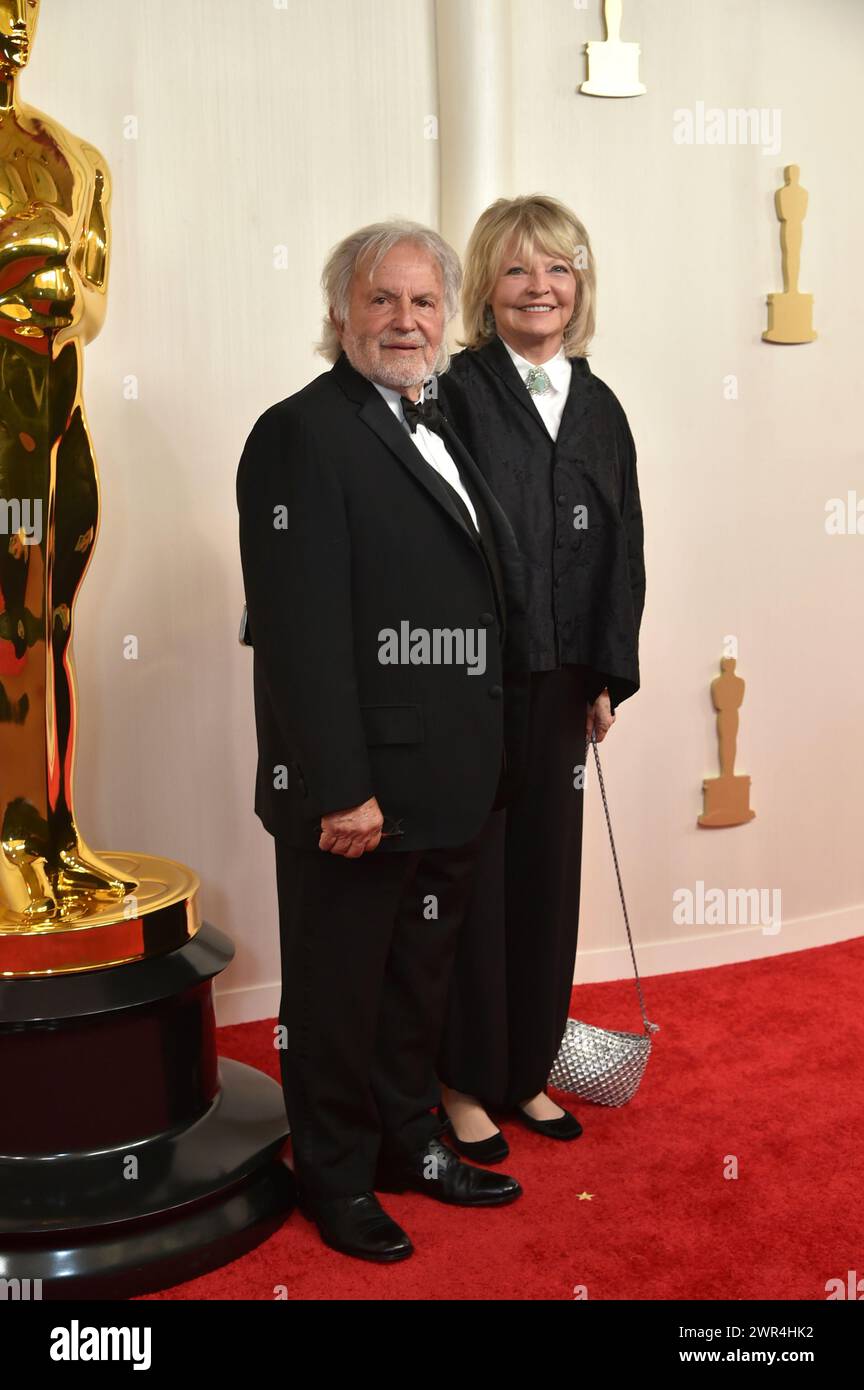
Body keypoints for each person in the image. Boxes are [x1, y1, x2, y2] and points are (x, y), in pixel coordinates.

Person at [236, 220, 531, 1262]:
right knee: (337, 993)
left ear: (444, 319)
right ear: (339, 314)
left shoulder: (437, 423)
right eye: (381, 300)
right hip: (355, 791)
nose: (404, 320)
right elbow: (299, 630)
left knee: (415, 984)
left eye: (422, 302)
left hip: (448, 776)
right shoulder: (301, 433)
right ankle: (335, 1174)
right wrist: (337, 786)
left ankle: (411, 1145)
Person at [435, 194, 645, 1159]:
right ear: (487, 285)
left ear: (580, 286)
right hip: (476, 683)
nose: (539, 287)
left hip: (564, 685)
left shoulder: (600, 407)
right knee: (472, 886)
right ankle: (463, 1081)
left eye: (558, 268)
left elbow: (621, 548)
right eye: (518, 269)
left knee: (547, 884)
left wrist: (607, 670)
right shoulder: (455, 393)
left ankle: (527, 1070)